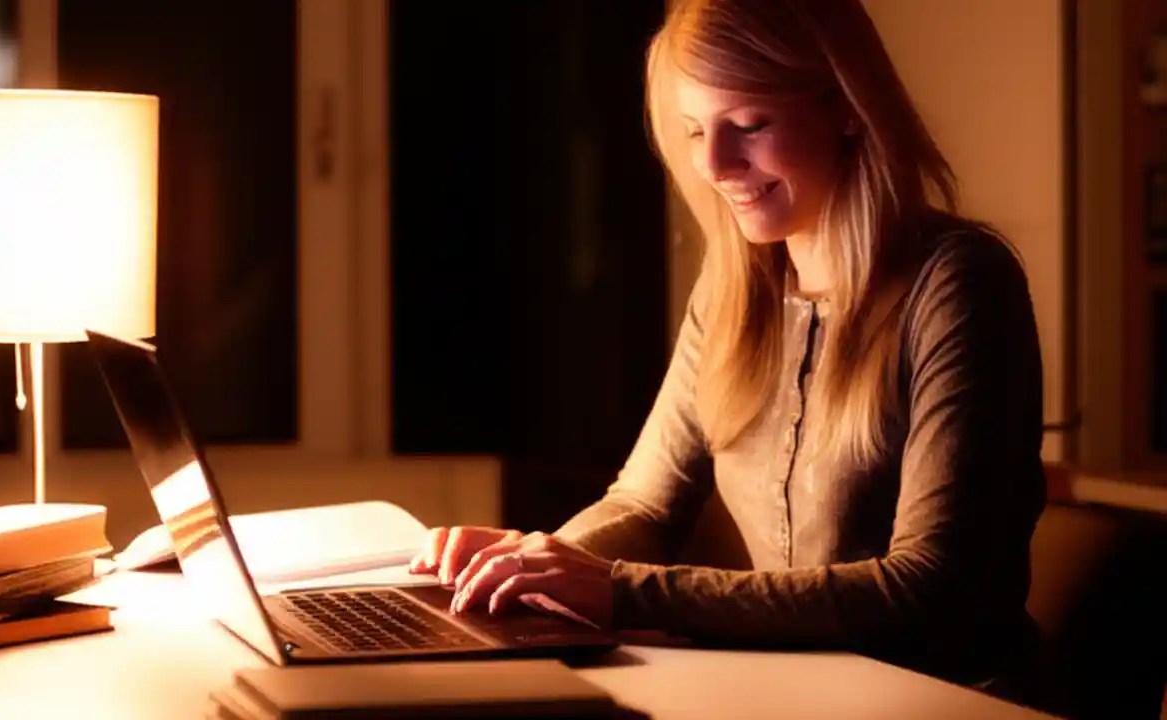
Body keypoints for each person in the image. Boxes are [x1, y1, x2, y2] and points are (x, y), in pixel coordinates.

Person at [409, 0, 1046, 705]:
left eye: (748, 125)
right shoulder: (733, 286)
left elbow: (932, 590)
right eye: (694, 131)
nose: (714, 164)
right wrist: (529, 570)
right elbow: (645, 505)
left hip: (951, 701)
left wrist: (618, 591)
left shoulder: (959, 282)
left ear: (846, 107)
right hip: (802, 694)